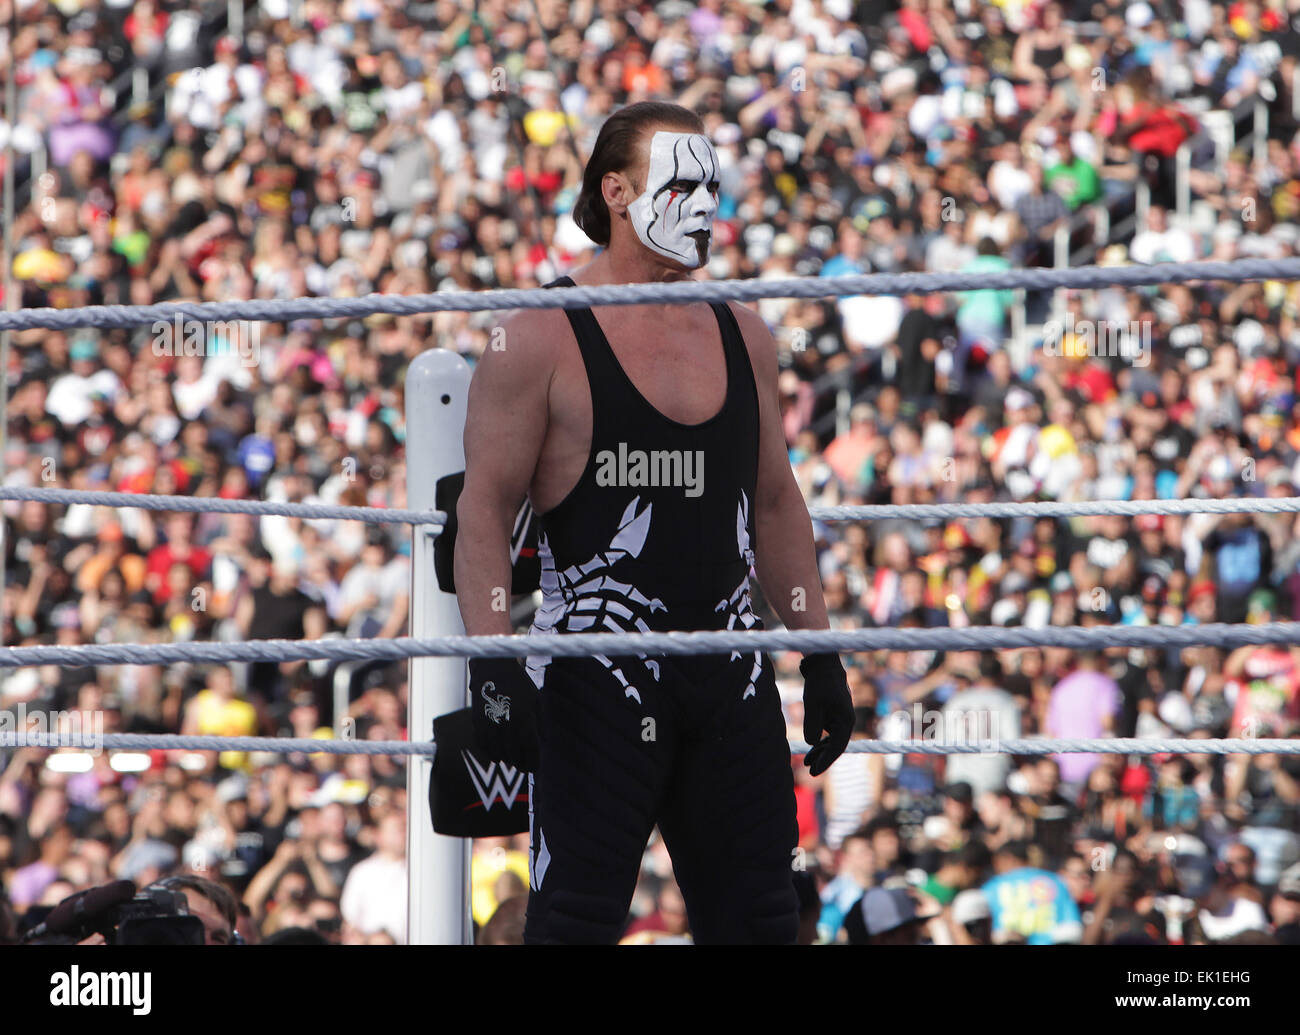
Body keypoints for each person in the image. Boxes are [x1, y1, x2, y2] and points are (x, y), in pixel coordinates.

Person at [454, 101, 853, 944]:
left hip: (732, 673)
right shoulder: (538, 336)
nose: (706, 205)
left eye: (713, 184)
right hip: (595, 674)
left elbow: (775, 501)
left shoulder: (744, 333)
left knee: (765, 924)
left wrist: (821, 655)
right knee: (572, 923)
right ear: (619, 192)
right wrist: (490, 663)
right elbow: (483, 507)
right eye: (684, 183)